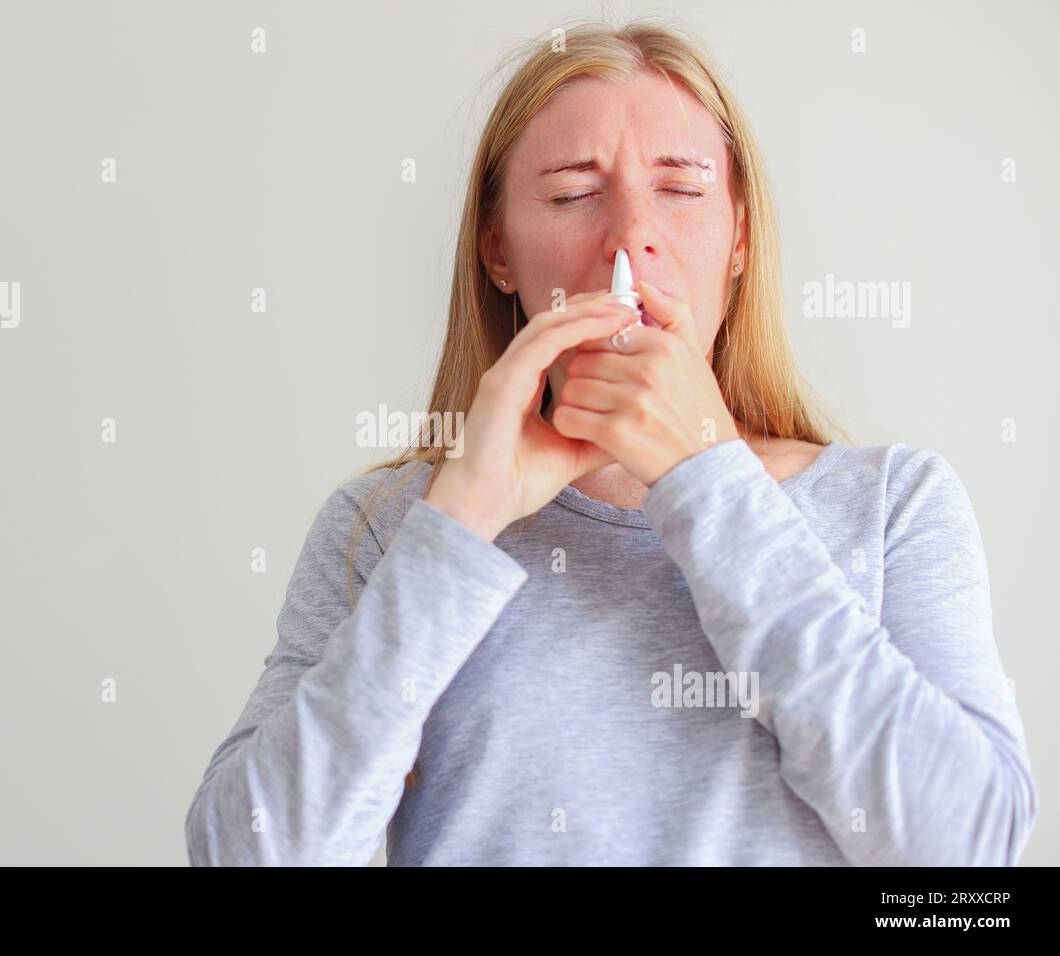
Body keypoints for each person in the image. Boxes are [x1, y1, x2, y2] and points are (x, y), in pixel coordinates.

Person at [185, 18, 1038, 866]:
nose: (631, 238)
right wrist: (458, 527)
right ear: (498, 253)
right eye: (570, 193)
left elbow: (967, 863)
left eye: (683, 188)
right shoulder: (388, 526)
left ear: (739, 237)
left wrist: (709, 479)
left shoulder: (891, 506)